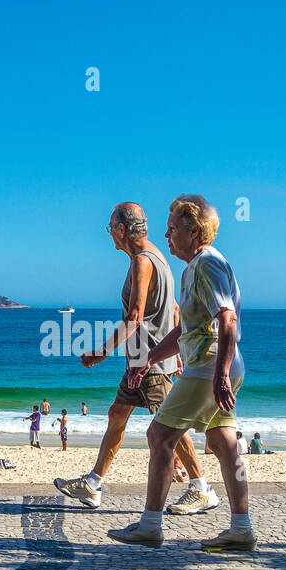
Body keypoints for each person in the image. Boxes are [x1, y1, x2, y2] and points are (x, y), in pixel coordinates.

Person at [108, 194, 253, 552]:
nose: (167, 234)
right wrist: (148, 360)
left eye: (173, 228)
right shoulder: (192, 270)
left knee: (159, 436)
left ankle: (150, 526)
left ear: (193, 231)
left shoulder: (207, 265)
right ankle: (241, 529)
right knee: (222, 443)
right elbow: (184, 331)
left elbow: (228, 319)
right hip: (216, 366)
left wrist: (219, 375)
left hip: (208, 367)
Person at [53, 201, 217, 514]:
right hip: (143, 361)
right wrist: (178, 355)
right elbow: (174, 309)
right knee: (117, 415)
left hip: (150, 363)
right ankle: (93, 484)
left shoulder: (143, 262)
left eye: (110, 228)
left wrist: (101, 352)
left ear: (122, 229)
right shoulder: (156, 258)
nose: (109, 234)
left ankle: (201, 488)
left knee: (170, 425)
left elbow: (135, 317)